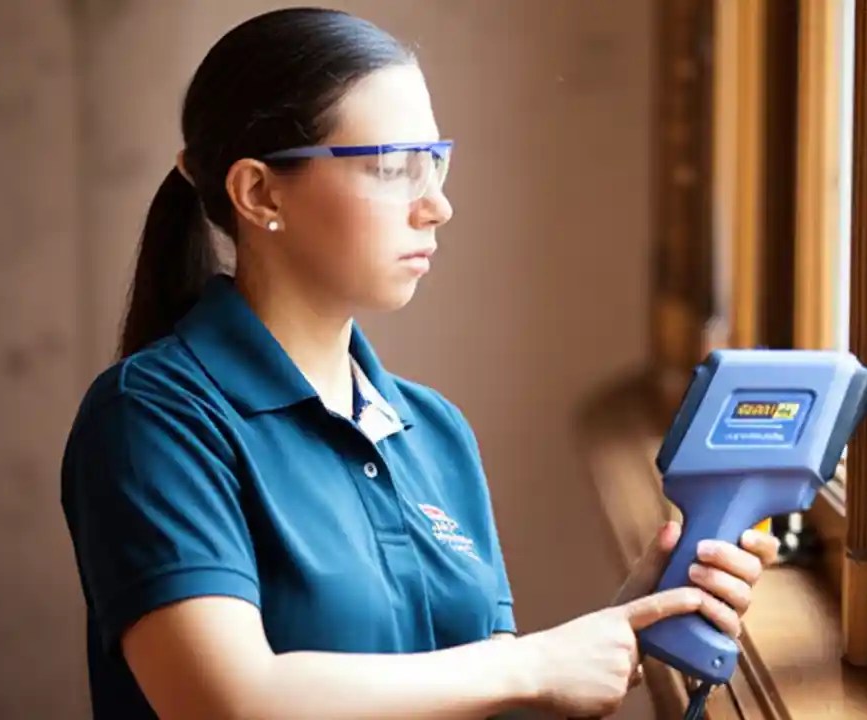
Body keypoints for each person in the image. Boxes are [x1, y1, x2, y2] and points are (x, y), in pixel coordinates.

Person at [59, 8, 780, 719]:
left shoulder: (433, 431)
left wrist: (625, 627)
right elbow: (223, 701)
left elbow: (481, 695)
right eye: (394, 167)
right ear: (259, 192)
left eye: (434, 162)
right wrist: (529, 663)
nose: (437, 205)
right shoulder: (154, 417)